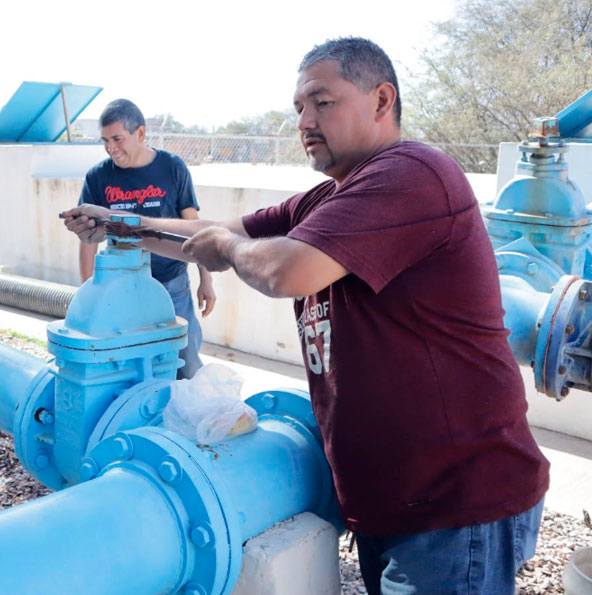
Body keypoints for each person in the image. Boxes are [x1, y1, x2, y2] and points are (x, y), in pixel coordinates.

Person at [63, 38, 549, 594]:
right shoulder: (326, 200)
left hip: (454, 501)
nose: (305, 120)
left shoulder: (412, 174)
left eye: (322, 102)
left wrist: (223, 248)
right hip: (397, 499)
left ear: (381, 99)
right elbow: (211, 233)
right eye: (298, 108)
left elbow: (284, 271)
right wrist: (116, 224)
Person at [78, 98, 216, 380]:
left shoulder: (172, 167)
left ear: (140, 134)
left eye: (117, 138)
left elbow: (194, 227)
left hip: (172, 286)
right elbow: (88, 240)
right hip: (121, 289)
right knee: (128, 366)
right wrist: (89, 293)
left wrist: (207, 279)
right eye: (104, 140)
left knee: (185, 364)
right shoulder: (97, 177)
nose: (110, 148)